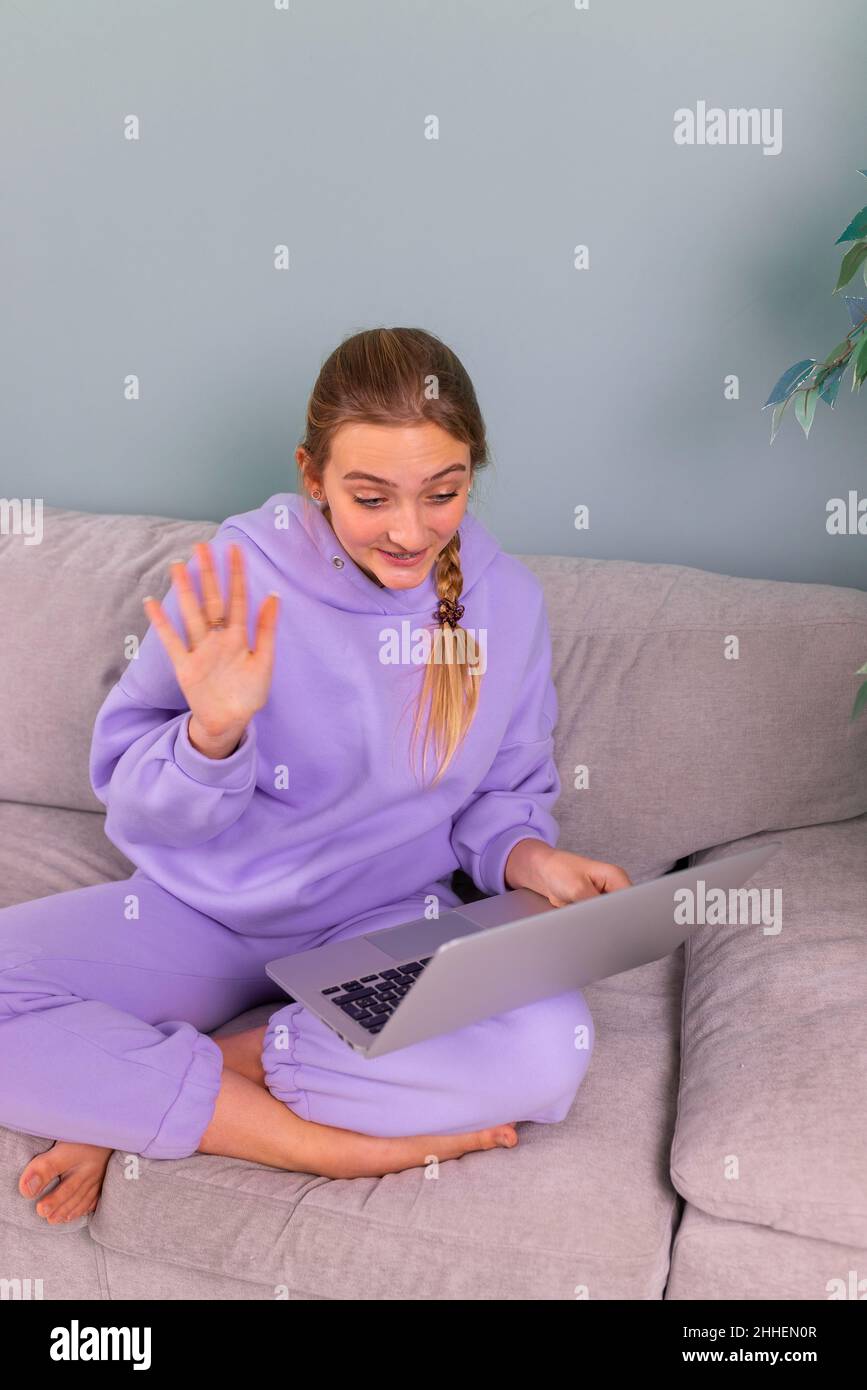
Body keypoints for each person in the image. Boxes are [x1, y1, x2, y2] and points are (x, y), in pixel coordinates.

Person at [0, 326, 630, 1226]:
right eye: (370, 497)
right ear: (312, 474)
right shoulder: (231, 580)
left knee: (548, 1050)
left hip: (387, 926)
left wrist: (533, 861)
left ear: (469, 477)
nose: (409, 531)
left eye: (442, 493)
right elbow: (136, 800)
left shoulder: (507, 603)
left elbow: (502, 797)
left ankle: (159, 1082)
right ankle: (319, 1146)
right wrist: (212, 735)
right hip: (202, 915)